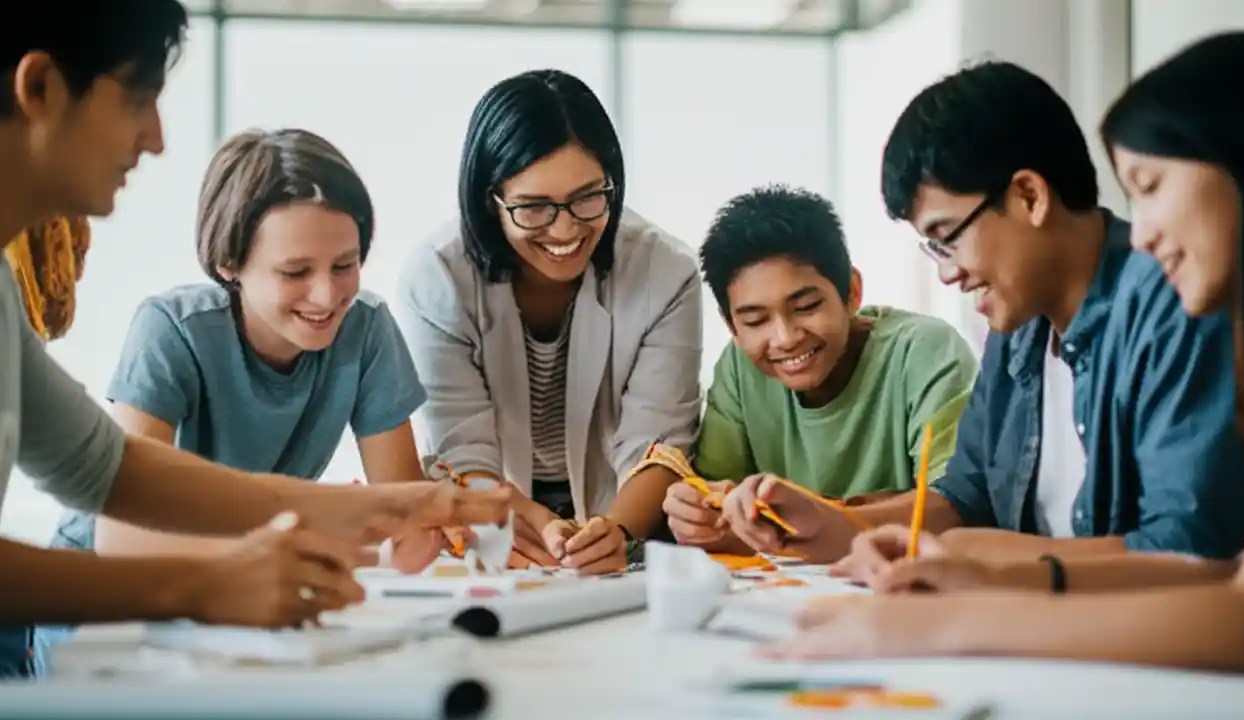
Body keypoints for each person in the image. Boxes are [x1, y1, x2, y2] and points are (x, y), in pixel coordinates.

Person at [0, 0, 508, 678]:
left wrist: (400, 502)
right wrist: (211, 579)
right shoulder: (176, 328)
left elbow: (104, 468)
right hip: (92, 627)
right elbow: (113, 519)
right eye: (138, 99)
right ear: (40, 88)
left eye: (343, 265)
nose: (156, 138)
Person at [763, 30, 1244, 673]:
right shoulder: (1018, 327)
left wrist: (975, 596)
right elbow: (967, 498)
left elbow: (1208, 567)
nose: (1144, 235)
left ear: (1030, 196)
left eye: (946, 238)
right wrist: (838, 524)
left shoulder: (1178, 302)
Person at [34, 127, 448, 671]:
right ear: (230, 264)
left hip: (246, 592)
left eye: (345, 265)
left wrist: (396, 529)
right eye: (295, 272)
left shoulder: (365, 329)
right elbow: (123, 537)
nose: (327, 296)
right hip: (110, 597)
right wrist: (300, 541)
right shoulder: (172, 330)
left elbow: (406, 517)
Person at [397, 69, 700, 575]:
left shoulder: (665, 271)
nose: (565, 229)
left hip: (626, 511)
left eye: (588, 197)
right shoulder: (437, 278)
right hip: (496, 512)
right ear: (489, 200)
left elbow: (658, 441)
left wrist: (618, 532)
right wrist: (527, 518)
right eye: (533, 208)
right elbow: (464, 450)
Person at [663, 185, 977, 554]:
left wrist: (819, 517)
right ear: (732, 327)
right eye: (755, 320)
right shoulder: (739, 370)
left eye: (807, 306)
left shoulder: (925, 352)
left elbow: (956, 507)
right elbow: (716, 493)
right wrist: (697, 513)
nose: (785, 338)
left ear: (852, 292)